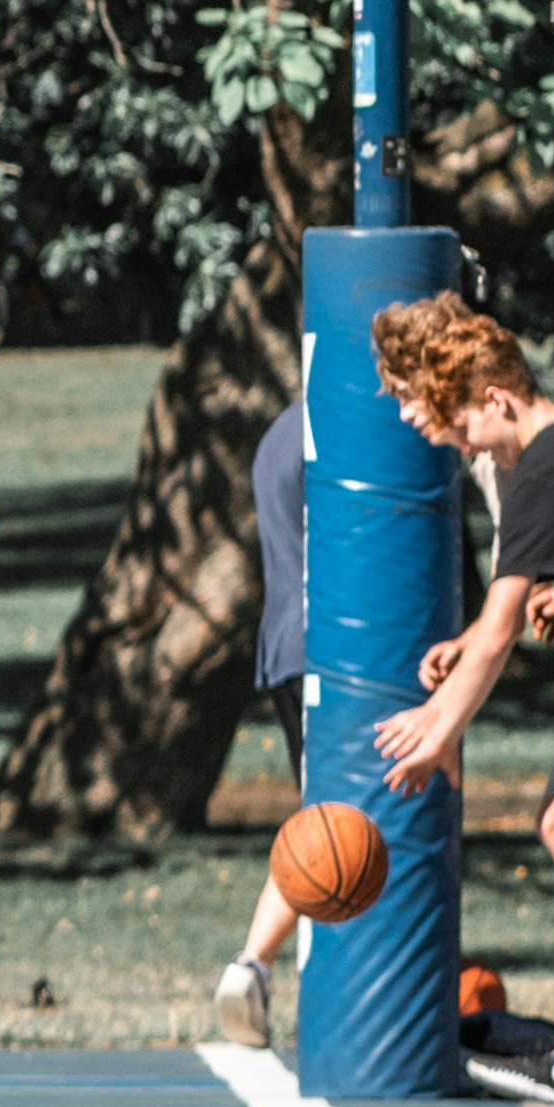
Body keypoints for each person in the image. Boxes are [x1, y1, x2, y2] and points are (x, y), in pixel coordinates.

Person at [368, 287, 554, 1107]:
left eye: (463, 426)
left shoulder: (538, 467)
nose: (466, 445)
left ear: (496, 396)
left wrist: (438, 729)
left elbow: (502, 630)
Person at [216, 391, 310, 1043]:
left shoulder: (280, 431)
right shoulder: (340, 426)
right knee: (335, 823)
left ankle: (258, 962)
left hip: (285, 644)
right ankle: (256, 958)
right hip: (330, 650)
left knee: (324, 813)